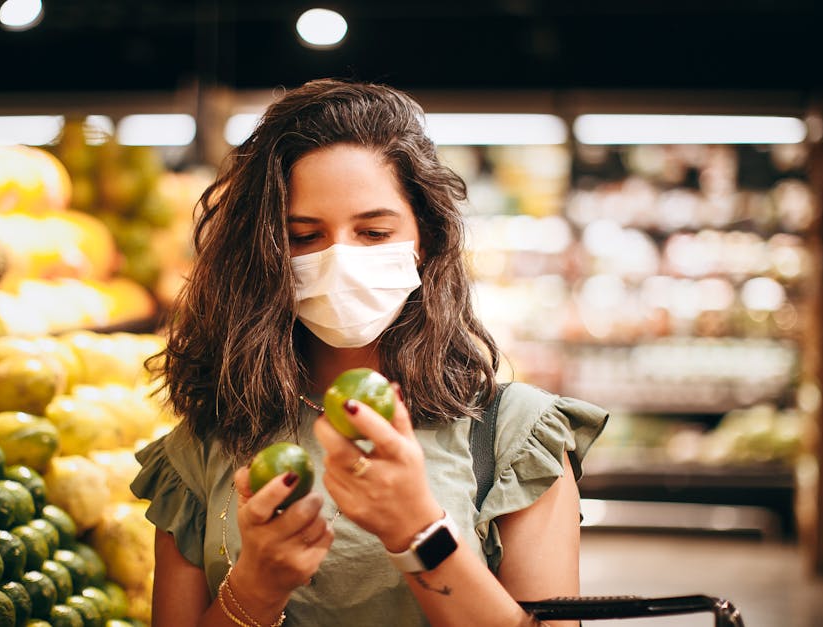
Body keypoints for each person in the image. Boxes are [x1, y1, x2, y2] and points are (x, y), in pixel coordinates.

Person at [131, 78, 608, 627]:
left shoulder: (512, 436)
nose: (340, 260)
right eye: (304, 237)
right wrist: (256, 588)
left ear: (424, 238)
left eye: (375, 232)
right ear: (263, 251)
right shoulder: (204, 446)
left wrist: (418, 532)